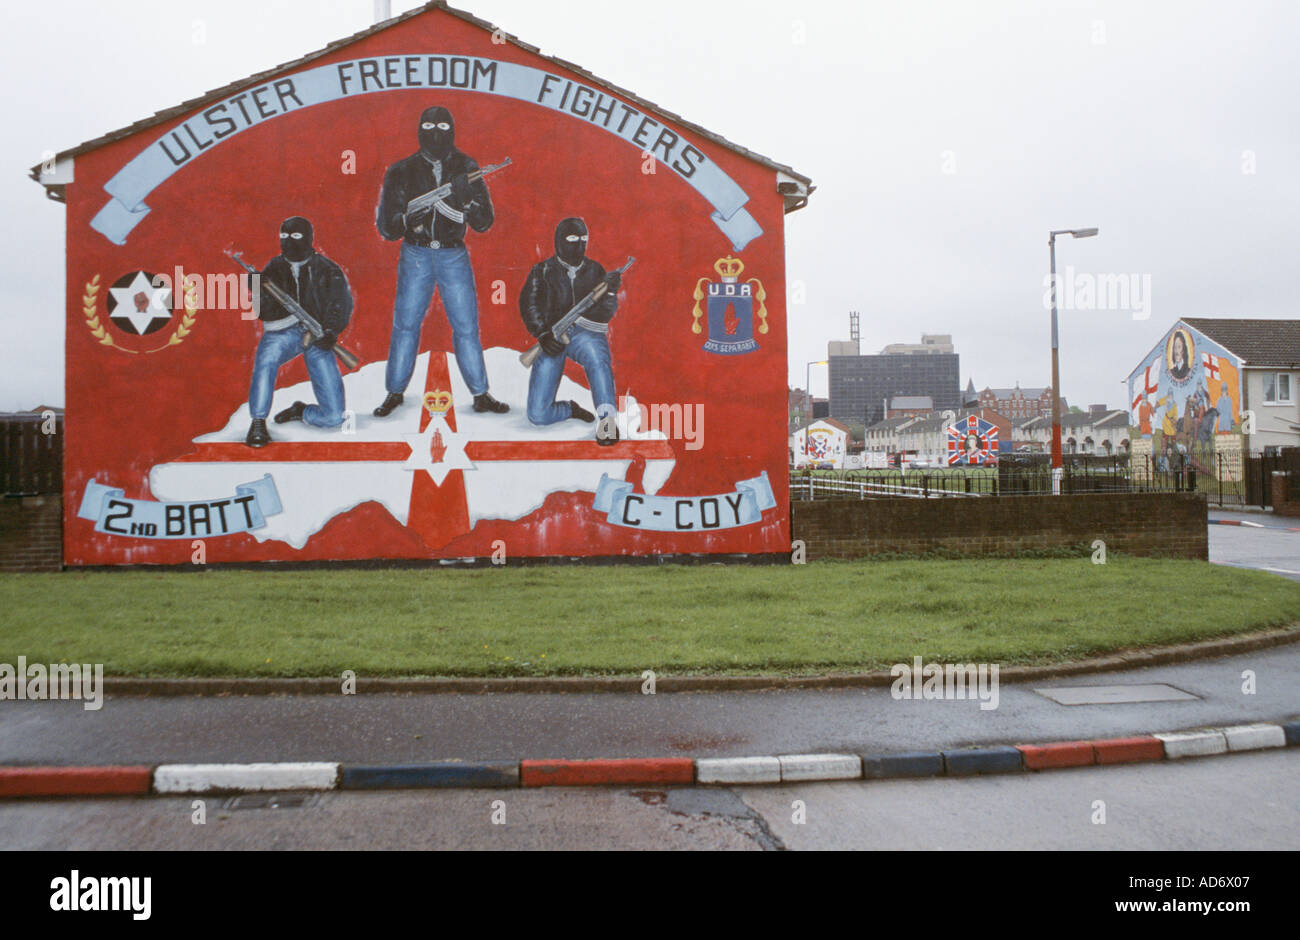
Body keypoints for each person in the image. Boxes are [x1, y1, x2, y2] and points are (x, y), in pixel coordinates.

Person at [372, 105, 508, 418]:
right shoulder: (401, 171)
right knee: (405, 326)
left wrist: (467, 200)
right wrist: (408, 218)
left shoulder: (466, 166)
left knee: (466, 327)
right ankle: (394, 392)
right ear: (420, 129)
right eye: (430, 126)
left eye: (443, 127)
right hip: (416, 253)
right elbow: (386, 227)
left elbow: (484, 222)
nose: (436, 134)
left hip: (452, 253)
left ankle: (480, 394)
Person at [244, 216, 353, 448]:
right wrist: (255, 286)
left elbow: (340, 304)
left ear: (308, 238)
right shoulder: (274, 268)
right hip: (283, 332)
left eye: (294, 237)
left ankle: (301, 411)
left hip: (317, 336)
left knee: (334, 417)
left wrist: (330, 332)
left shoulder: (327, 269)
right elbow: (262, 312)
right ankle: (258, 421)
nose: (288, 242)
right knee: (266, 359)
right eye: (283, 237)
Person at [518, 218, 621, 444]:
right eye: (573, 240)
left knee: (598, 359)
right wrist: (543, 334)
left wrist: (611, 293)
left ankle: (607, 420)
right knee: (538, 415)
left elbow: (605, 313)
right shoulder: (542, 271)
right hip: (552, 337)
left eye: (583, 240)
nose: (579, 245)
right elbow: (530, 305)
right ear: (559, 241)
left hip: (585, 333)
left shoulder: (595, 270)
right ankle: (569, 409)